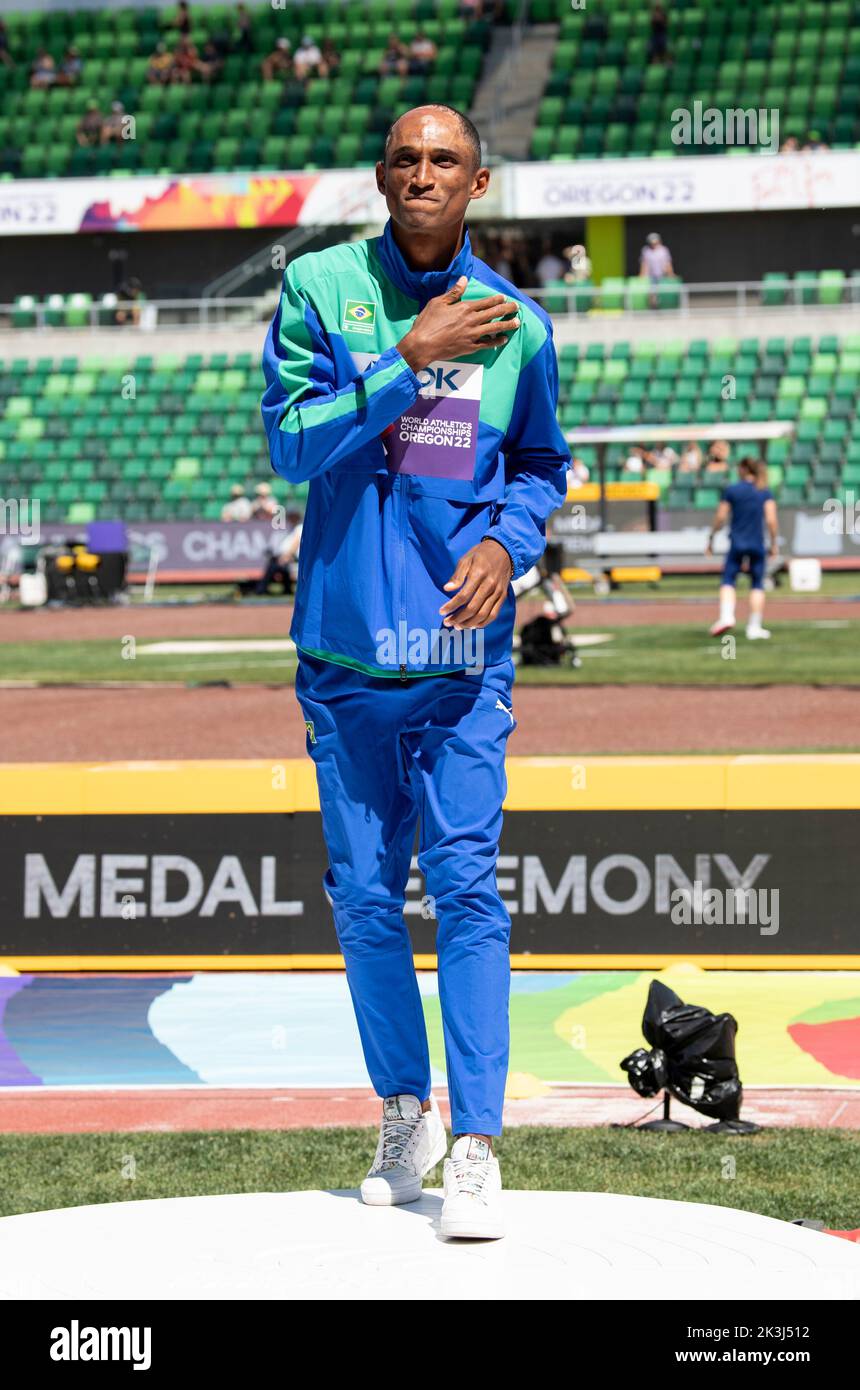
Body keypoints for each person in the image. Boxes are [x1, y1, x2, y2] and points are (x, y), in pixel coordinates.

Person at [261, 103, 569, 1241]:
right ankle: (405, 1114)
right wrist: (405, 359)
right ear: (381, 177)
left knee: (468, 887)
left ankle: (477, 1143)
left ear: (476, 183)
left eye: (445, 158)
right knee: (359, 897)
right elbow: (290, 445)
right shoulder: (317, 289)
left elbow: (543, 465)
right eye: (405, 157)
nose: (423, 173)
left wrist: (504, 544)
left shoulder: (522, 326)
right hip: (342, 654)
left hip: (460, 660)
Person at [705, 457, 778, 640]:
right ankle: (754, 626)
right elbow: (771, 520)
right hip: (757, 543)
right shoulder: (764, 491)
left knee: (728, 580)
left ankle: (726, 616)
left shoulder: (732, 490)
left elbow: (720, 517)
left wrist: (711, 537)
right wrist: (774, 543)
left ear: (744, 469)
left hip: (737, 543)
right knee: (756, 584)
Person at [254, 508, 303, 595]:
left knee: (273, 567)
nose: (290, 519)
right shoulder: (294, 528)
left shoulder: (299, 528)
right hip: (287, 558)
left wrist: (285, 557)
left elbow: (295, 544)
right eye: (290, 517)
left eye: (293, 517)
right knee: (273, 564)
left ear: (297, 517)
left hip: (292, 559)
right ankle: (285, 589)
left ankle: (261, 590)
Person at [639, 231, 674, 308]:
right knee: (651, 293)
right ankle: (652, 308)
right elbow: (644, 264)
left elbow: (668, 263)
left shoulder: (664, 250)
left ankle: (661, 307)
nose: (653, 244)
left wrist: (670, 274)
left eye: (655, 241)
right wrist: (642, 275)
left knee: (662, 293)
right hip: (650, 276)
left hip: (662, 275)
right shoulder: (646, 250)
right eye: (652, 242)